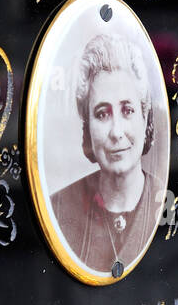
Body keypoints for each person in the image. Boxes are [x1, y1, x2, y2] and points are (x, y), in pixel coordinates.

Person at [49, 33, 161, 276]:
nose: (116, 132)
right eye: (102, 114)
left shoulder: (170, 202)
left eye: (128, 110)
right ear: (87, 127)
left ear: (145, 117)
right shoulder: (58, 209)